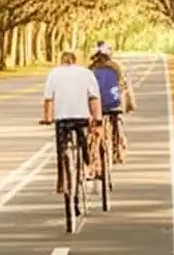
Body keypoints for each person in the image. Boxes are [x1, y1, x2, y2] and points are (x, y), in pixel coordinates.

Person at [41, 50, 102, 193]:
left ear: (61, 61)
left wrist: (47, 118)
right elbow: (94, 98)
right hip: (81, 118)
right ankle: (87, 167)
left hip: (62, 120)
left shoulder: (54, 73)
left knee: (61, 149)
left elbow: (48, 99)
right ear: (75, 61)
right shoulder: (86, 73)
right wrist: (97, 119)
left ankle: (62, 181)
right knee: (84, 144)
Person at [90, 43, 135, 163]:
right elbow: (123, 85)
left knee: (92, 124)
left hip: (97, 105)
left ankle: (92, 152)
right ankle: (119, 147)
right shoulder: (116, 66)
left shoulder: (91, 69)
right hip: (114, 104)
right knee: (117, 119)